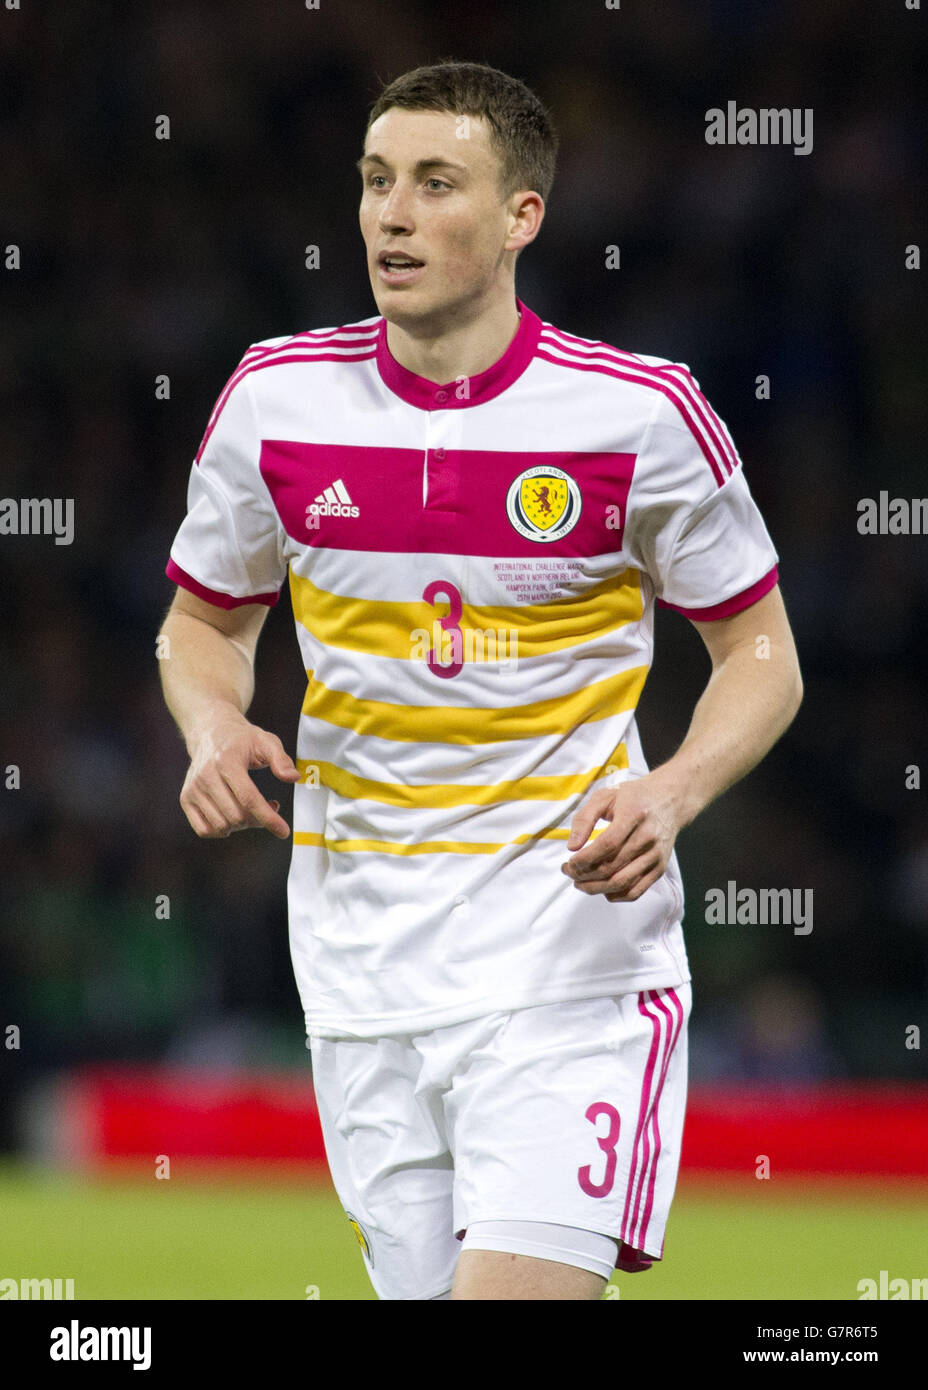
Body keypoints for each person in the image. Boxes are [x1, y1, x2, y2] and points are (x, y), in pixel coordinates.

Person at [158, 60, 803, 1301]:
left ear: (522, 216)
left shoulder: (639, 417)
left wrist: (671, 791)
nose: (391, 214)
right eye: (374, 181)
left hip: (569, 957)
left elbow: (760, 654)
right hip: (358, 966)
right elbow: (201, 621)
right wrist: (208, 721)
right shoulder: (273, 401)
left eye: (434, 183)